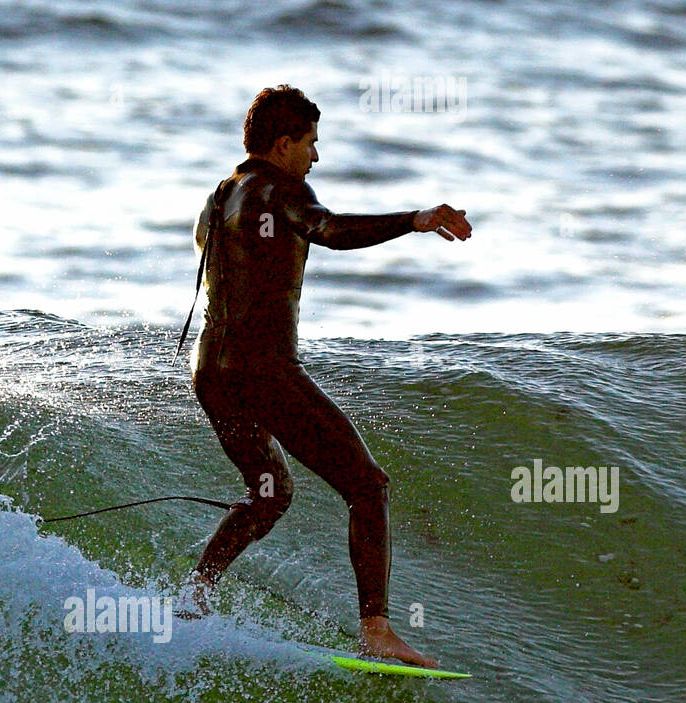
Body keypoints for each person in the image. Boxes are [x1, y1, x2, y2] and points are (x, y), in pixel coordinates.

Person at [185, 84, 471, 667]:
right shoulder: (280, 188)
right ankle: (377, 630)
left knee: (269, 492)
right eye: (311, 143)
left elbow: (216, 256)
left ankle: (195, 596)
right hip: (262, 369)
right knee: (368, 487)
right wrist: (414, 219)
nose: (316, 157)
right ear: (284, 143)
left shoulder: (221, 196)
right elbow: (328, 229)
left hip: (211, 369)